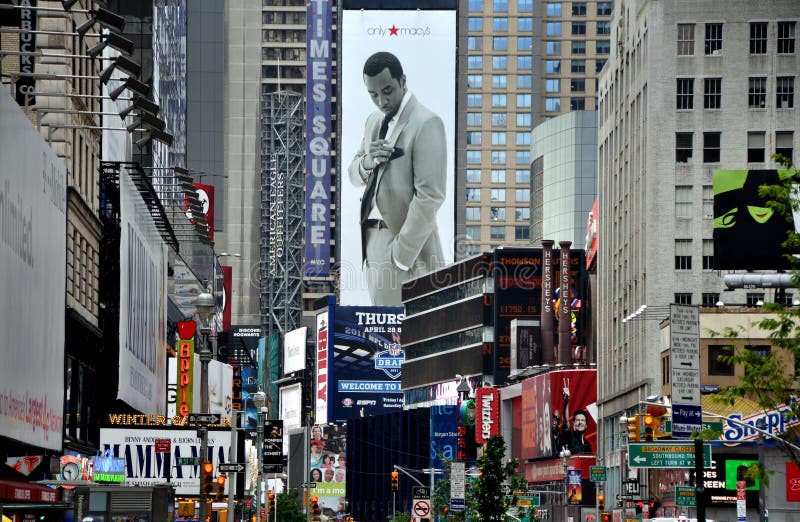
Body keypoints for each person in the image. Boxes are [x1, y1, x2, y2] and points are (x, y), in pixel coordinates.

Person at [348, 51, 447, 306]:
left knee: (409, 338)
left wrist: (400, 256)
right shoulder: (373, 122)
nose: (382, 100)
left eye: (388, 90)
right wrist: (368, 161)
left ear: (403, 81)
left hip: (407, 248)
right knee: (385, 335)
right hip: (372, 243)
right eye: (373, 95)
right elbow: (353, 173)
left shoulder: (427, 123)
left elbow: (431, 195)